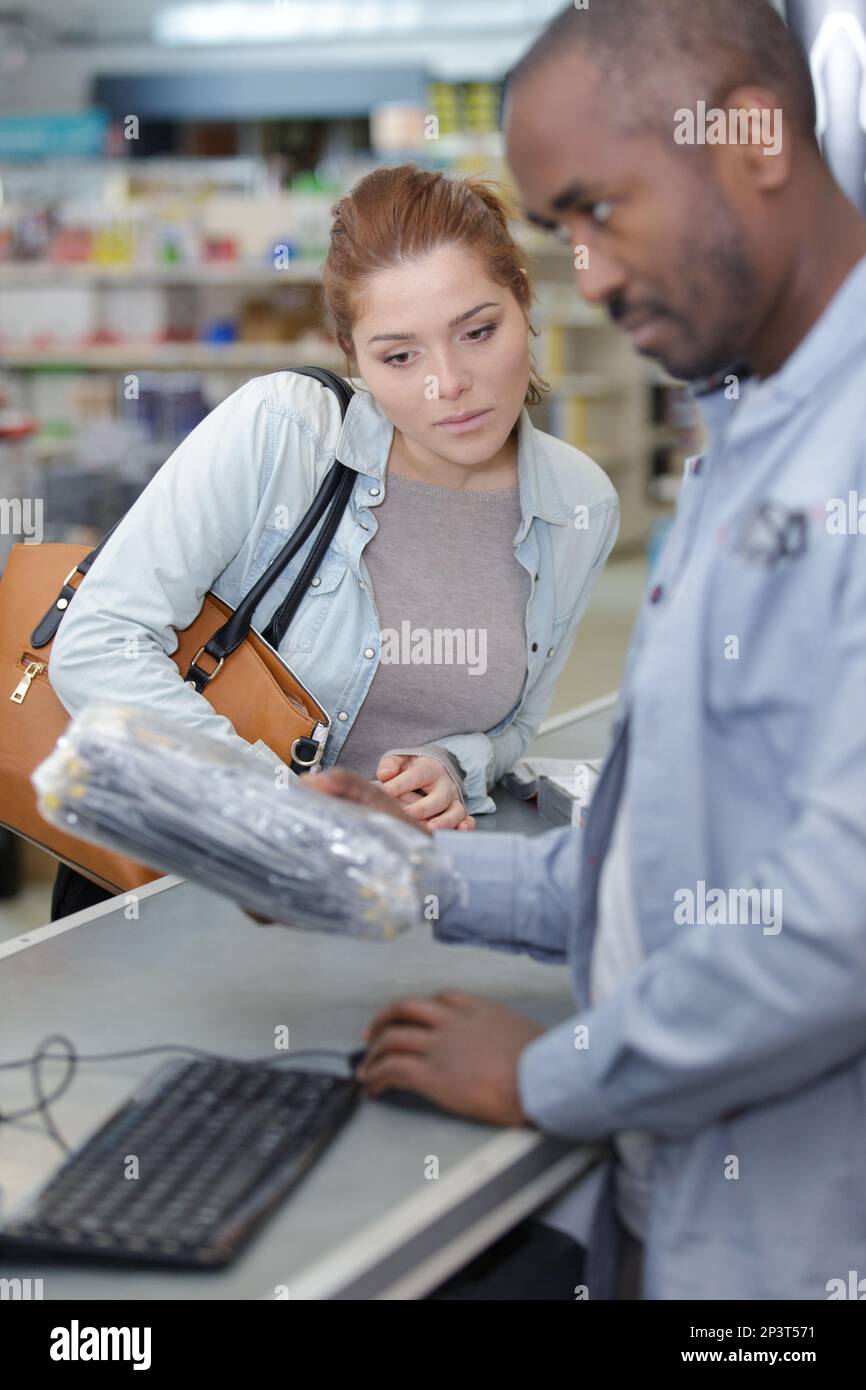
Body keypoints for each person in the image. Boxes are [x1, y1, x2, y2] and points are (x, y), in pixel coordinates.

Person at [308, 0, 866, 1300]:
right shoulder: (744, 443)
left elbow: (836, 923)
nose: (591, 274)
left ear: (754, 136)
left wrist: (549, 1071)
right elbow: (673, 868)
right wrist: (412, 873)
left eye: (597, 210)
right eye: (560, 233)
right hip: (673, 1211)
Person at [48, 165, 618, 922]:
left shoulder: (579, 505)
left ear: (524, 301)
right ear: (354, 357)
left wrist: (452, 764)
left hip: (400, 912)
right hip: (192, 897)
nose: (449, 382)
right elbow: (97, 643)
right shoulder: (284, 432)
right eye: (399, 356)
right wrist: (300, 815)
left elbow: (513, 727)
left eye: (478, 331)